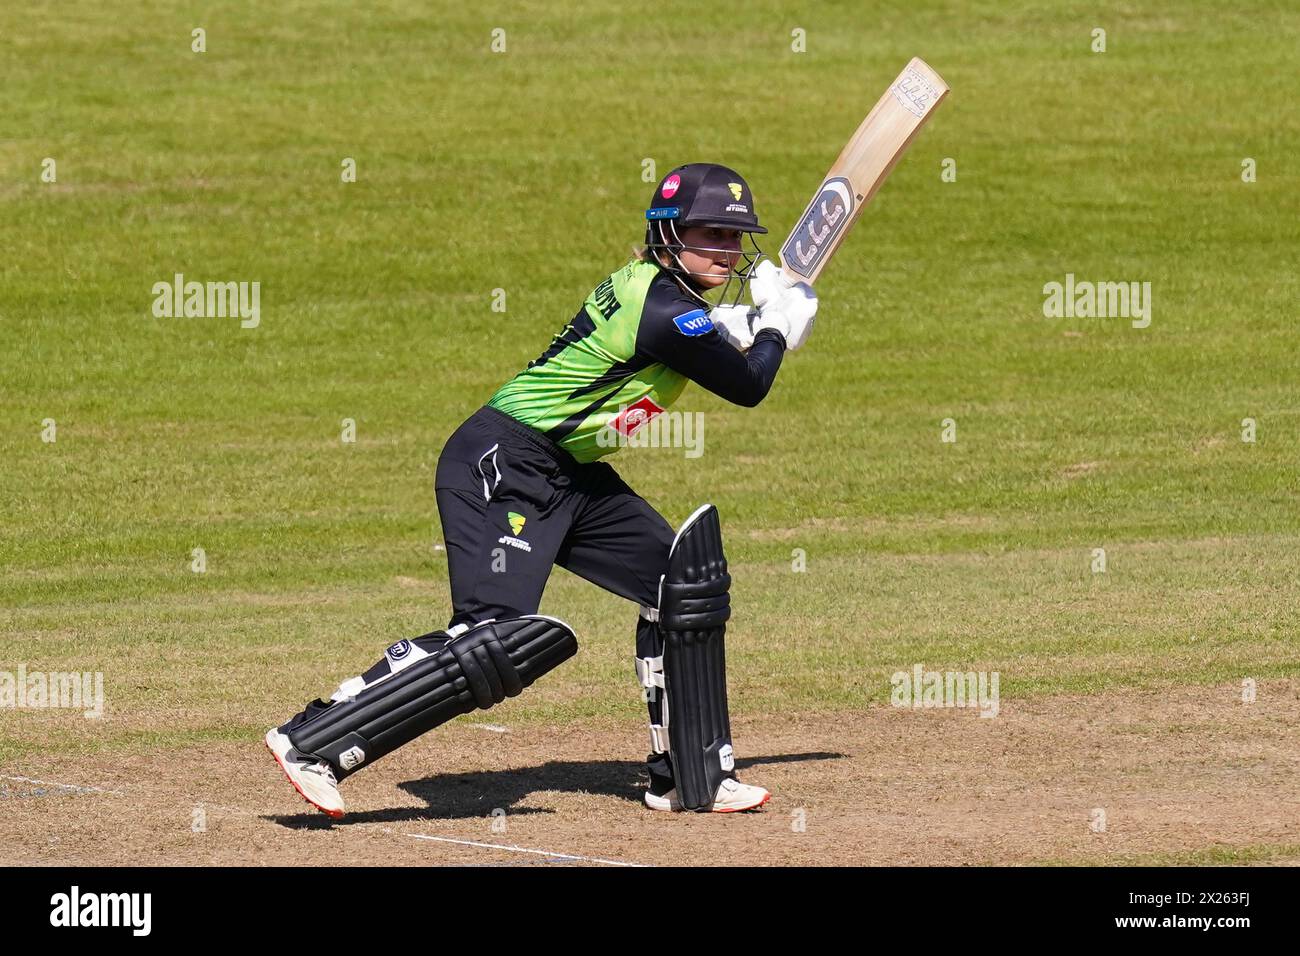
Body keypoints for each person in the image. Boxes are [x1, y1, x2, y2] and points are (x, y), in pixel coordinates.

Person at [265, 162, 818, 817]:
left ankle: (690, 775)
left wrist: (752, 327)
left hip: (572, 474)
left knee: (681, 588)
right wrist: (777, 327)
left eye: (734, 237)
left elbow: (703, 341)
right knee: (495, 638)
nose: (725, 250)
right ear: (668, 233)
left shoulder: (662, 295)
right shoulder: (667, 310)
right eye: (710, 234)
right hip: (504, 464)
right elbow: (747, 384)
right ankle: (314, 741)